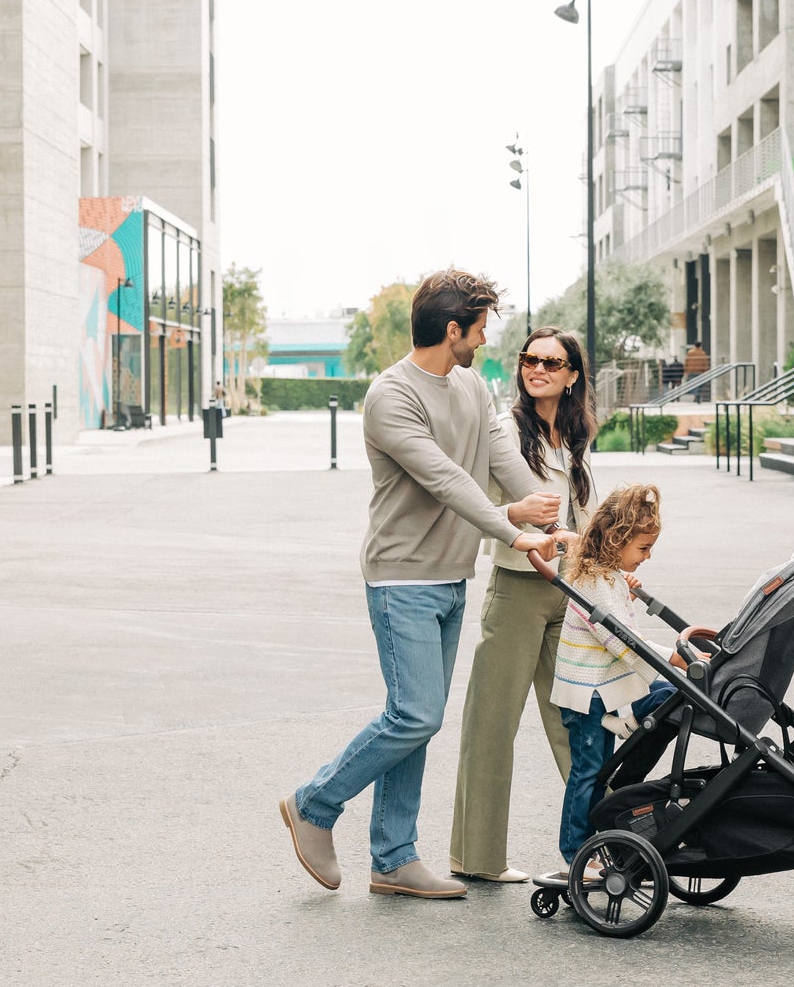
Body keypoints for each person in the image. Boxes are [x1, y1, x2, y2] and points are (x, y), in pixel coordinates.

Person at [278, 270, 571, 900]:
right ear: (452, 329)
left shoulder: (469, 386)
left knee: (415, 719)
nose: (486, 340)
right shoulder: (391, 397)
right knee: (415, 713)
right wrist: (511, 532)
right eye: (481, 327)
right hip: (401, 577)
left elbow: (502, 463)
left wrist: (557, 525)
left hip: (450, 577)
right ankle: (313, 805)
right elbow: (445, 479)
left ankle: (394, 858)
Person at [448, 327, 597, 884]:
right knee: (492, 724)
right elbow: (494, 500)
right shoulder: (508, 428)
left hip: (570, 592)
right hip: (517, 588)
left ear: (572, 375)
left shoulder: (576, 434)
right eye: (530, 360)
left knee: (577, 722)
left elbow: (585, 513)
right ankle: (476, 857)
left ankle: (600, 846)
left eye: (551, 363)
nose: (537, 370)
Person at [550, 484, 681, 873]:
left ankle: (623, 794)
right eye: (642, 548)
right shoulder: (593, 584)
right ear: (616, 540)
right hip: (590, 696)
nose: (648, 556)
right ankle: (577, 851)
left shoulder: (607, 577)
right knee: (589, 770)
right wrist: (674, 658)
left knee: (670, 697)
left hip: (610, 689)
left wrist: (622, 580)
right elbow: (622, 640)